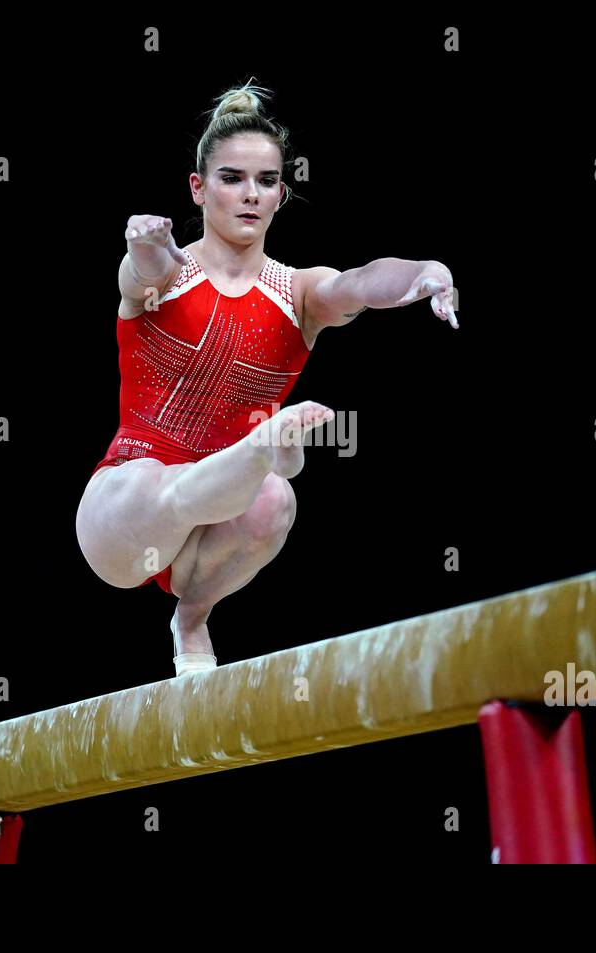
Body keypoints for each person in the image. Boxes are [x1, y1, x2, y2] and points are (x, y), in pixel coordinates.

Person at [76, 78, 458, 676]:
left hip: (206, 543)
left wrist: (425, 270)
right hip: (127, 507)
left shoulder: (297, 294)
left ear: (283, 194)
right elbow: (137, 275)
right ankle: (257, 451)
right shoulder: (166, 271)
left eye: (267, 180)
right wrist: (143, 245)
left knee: (275, 498)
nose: (251, 194)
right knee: (178, 481)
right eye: (232, 178)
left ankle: (192, 616)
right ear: (198, 189)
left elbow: (360, 281)